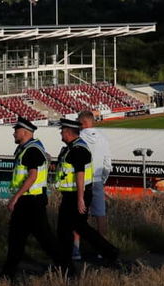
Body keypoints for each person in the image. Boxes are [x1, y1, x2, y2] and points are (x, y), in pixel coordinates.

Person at [51, 118, 120, 273]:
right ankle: (107, 252)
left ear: (68, 132)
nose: (61, 133)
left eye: (62, 130)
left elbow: (80, 174)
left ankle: (67, 263)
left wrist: (80, 199)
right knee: (74, 228)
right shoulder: (71, 148)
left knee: (70, 228)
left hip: (76, 195)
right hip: (72, 195)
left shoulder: (78, 149)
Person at [2, 118, 61, 279]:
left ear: (25, 132)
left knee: (42, 238)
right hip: (29, 201)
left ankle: (65, 266)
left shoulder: (31, 150)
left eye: (16, 130)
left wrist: (15, 198)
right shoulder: (28, 148)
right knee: (17, 238)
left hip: (31, 201)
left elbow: (32, 176)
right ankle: (7, 274)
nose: (13, 133)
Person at [79, 111, 113, 240]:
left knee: (79, 215)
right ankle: (102, 249)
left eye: (79, 122)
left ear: (84, 122)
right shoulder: (103, 138)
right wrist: (102, 179)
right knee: (100, 214)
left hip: (82, 181)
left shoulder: (78, 138)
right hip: (97, 180)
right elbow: (107, 163)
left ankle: (76, 249)